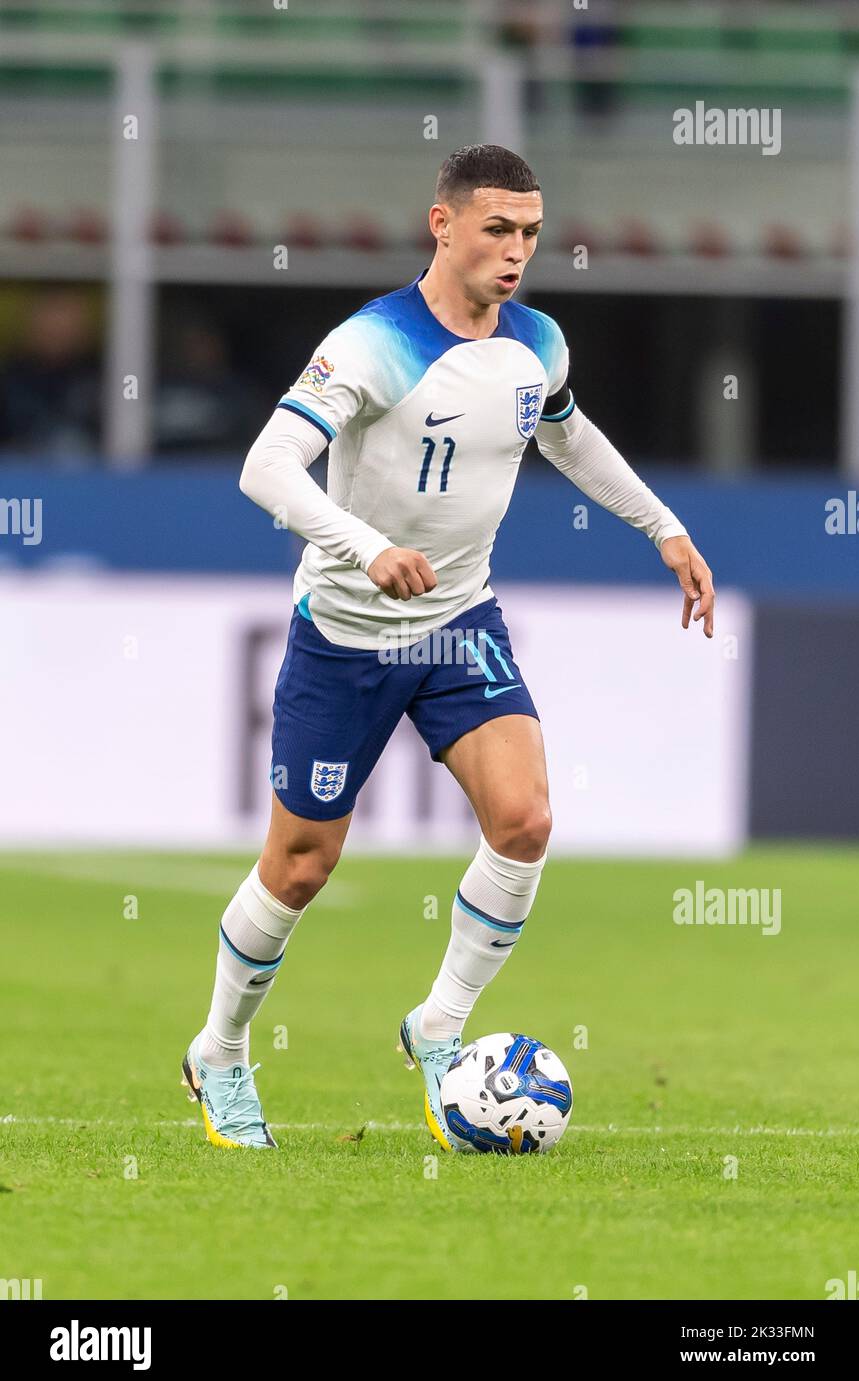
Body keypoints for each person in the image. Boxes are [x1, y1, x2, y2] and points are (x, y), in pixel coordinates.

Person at [180, 144, 714, 1151]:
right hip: (343, 636)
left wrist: (662, 527)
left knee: (524, 819)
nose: (517, 253)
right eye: (497, 230)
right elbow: (268, 465)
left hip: (459, 624)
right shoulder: (374, 343)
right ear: (443, 225)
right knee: (297, 870)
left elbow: (566, 432)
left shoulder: (538, 341)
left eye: (530, 234)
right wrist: (366, 545)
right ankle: (220, 1050)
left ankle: (438, 1028)